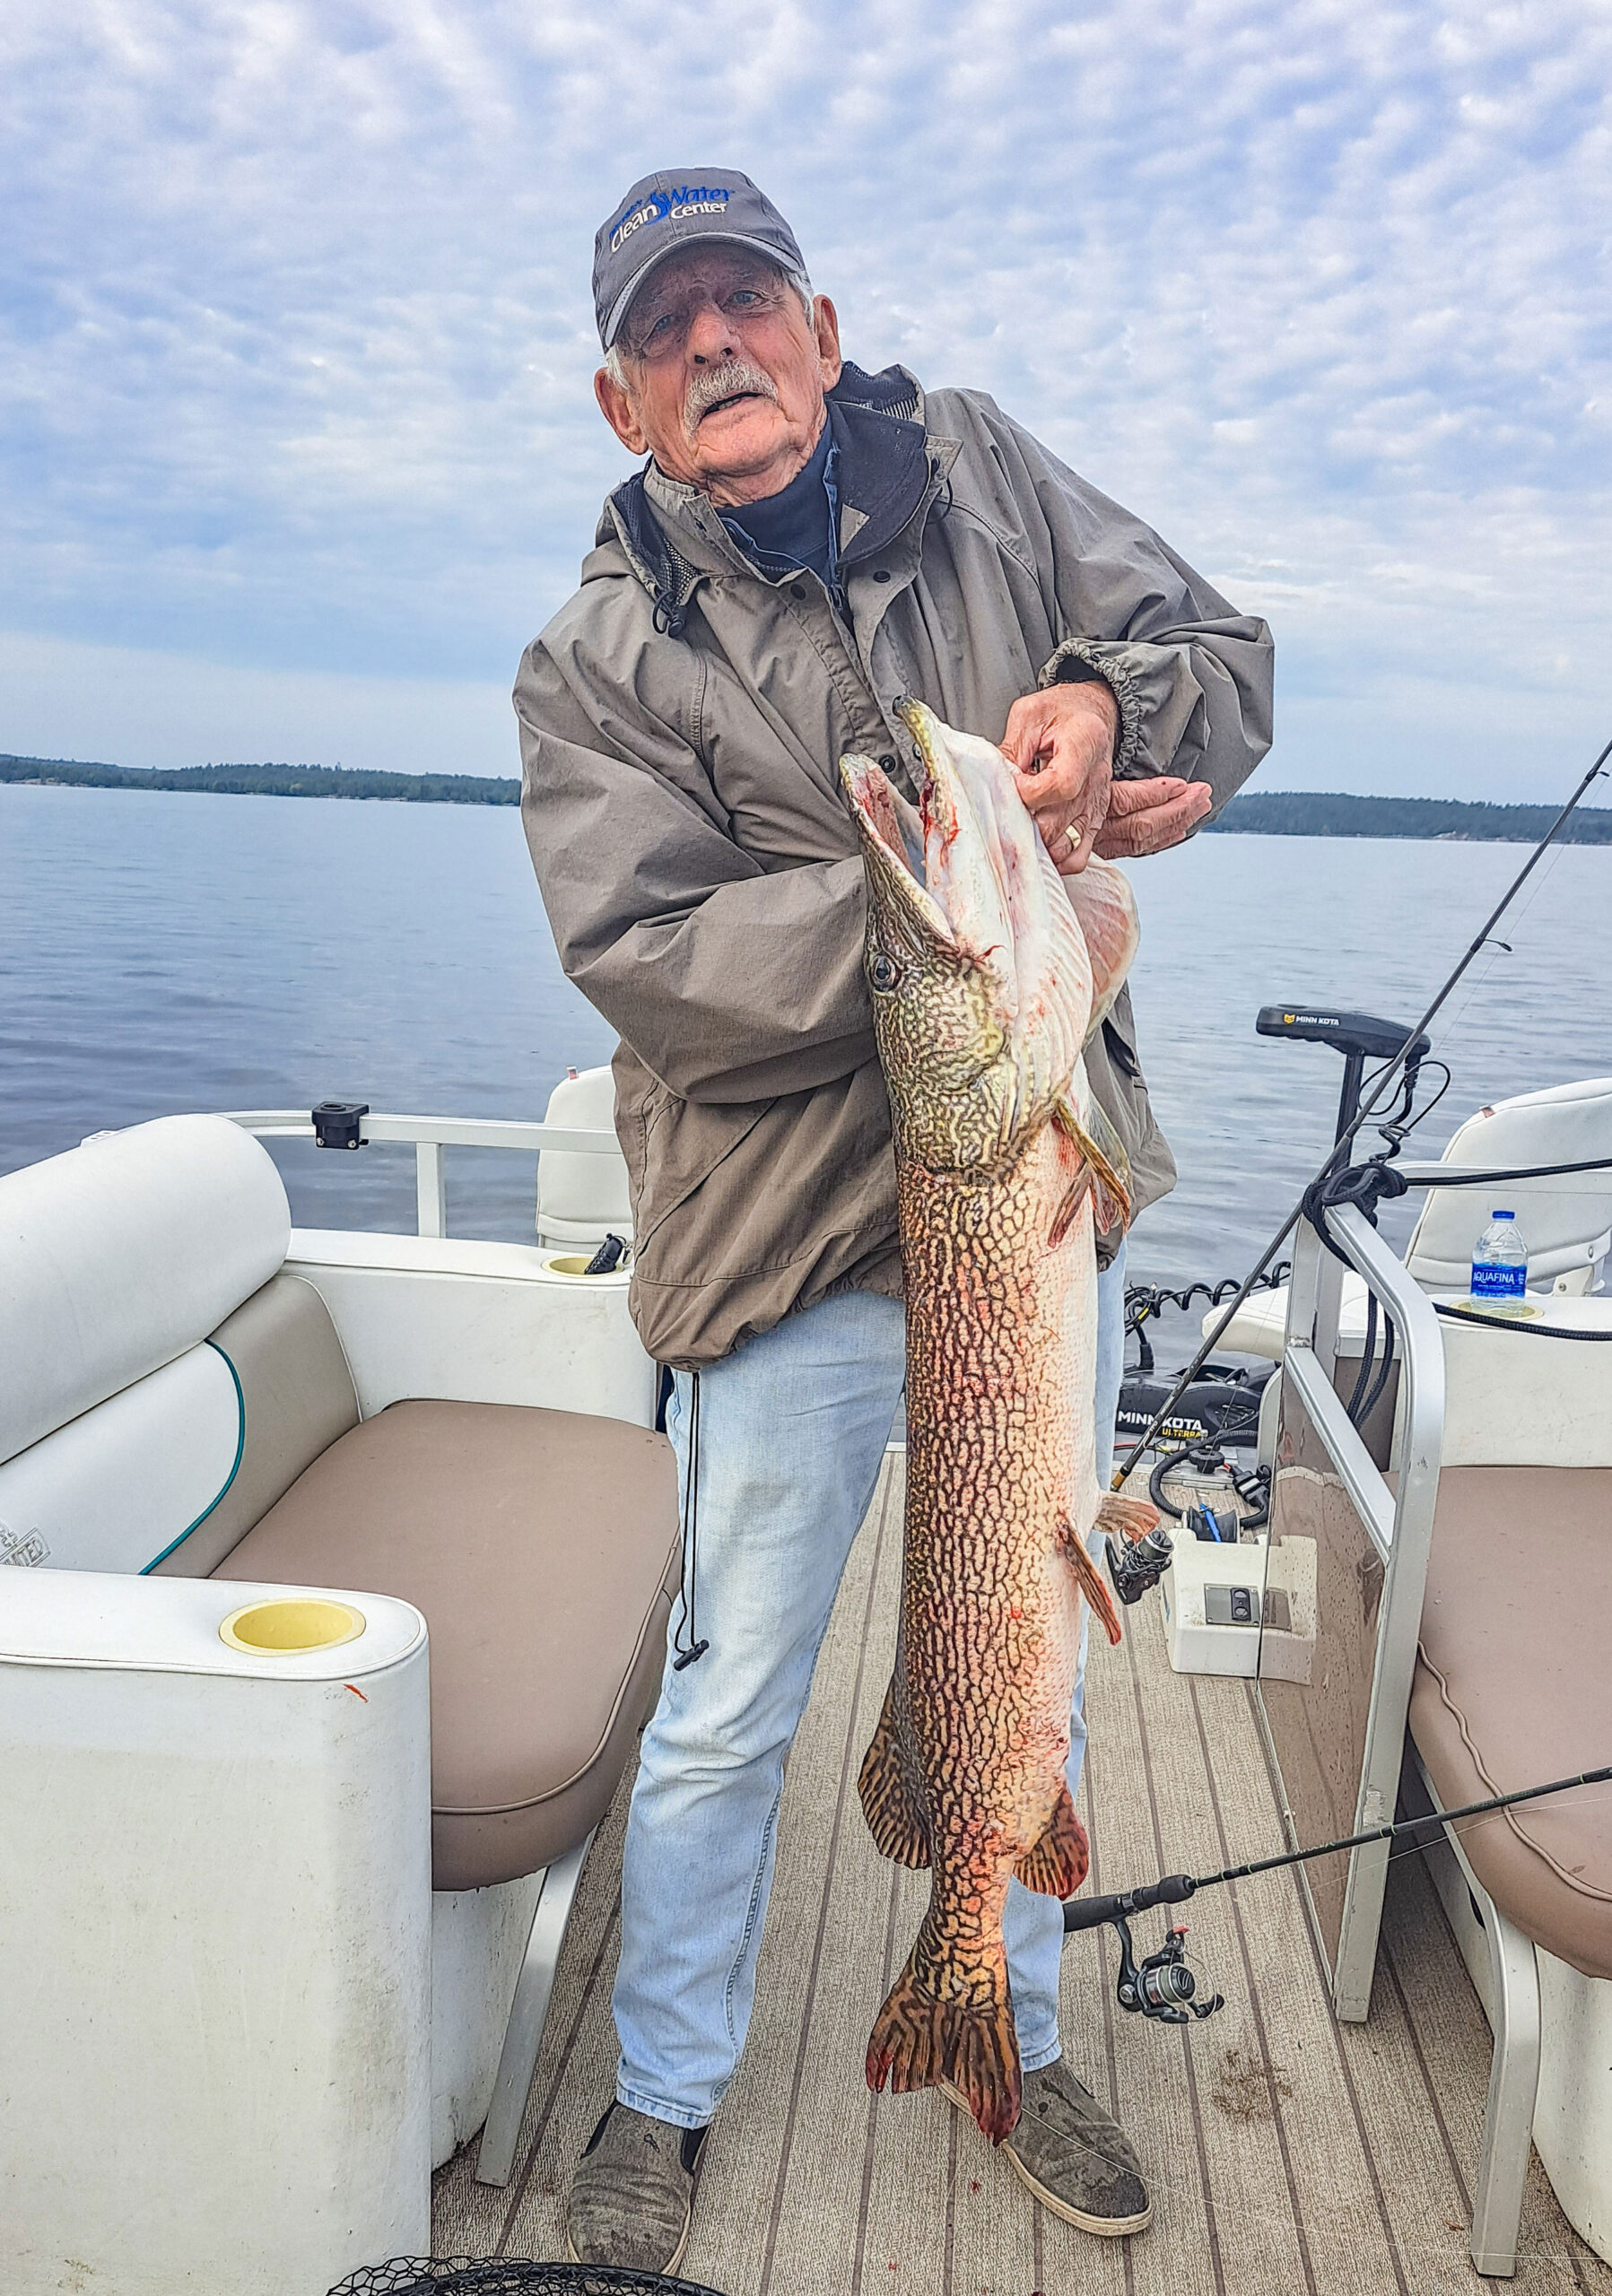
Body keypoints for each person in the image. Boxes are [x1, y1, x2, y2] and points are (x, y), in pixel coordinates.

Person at [515, 168, 1273, 2274]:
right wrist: (914, 884)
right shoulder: (592, 661)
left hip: (1018, 1196)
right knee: (732, 1695)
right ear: (621, 405)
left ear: (821, 328)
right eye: (668, 334)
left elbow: (1219, 653)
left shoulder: (981, 480)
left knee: (1032, 1656)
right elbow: (646, 946)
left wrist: (1115, 715)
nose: (716, 348)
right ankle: (661, 2095)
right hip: (775, 1247)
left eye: (745, 303)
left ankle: (1003, 2025)